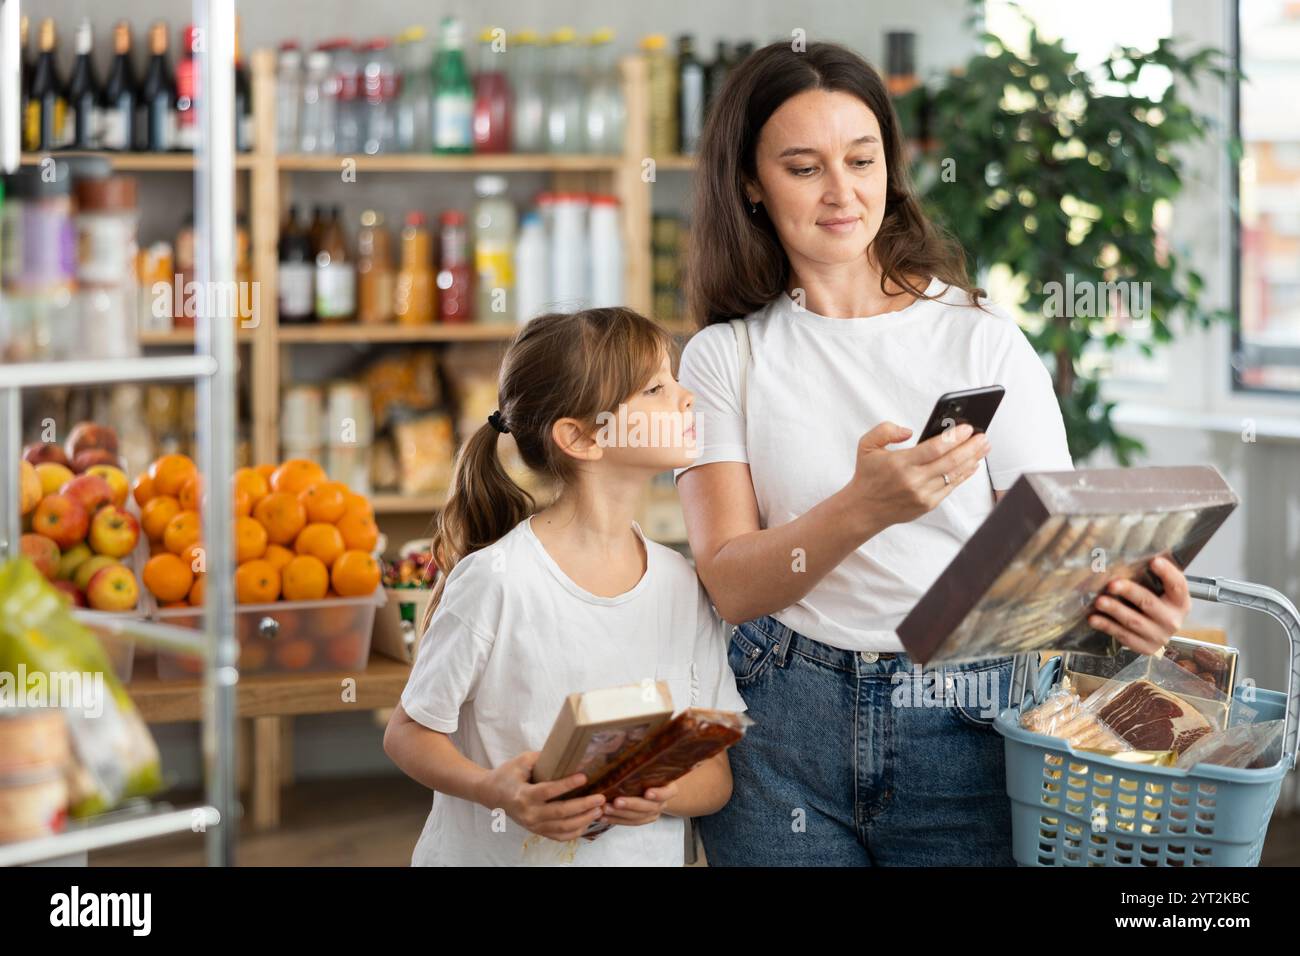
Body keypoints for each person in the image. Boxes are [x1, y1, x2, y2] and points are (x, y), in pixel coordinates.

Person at [674, 40, 1192, 866]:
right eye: (803, 168)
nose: (842, 192)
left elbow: (1056, 558)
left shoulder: (981, 342)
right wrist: (864, 507)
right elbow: (731, 583)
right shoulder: (723, 355)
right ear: (750, 185)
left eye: (861, 158)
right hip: (779, 725)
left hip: (966, 720)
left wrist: (1130, 619)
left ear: (891, 164)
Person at [384, 307, 746, 866]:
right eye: (655, 388)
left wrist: (659, 794)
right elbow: (407, 732)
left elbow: (715, 778)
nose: (686, 396)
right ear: (580, 437)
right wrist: (495, 790)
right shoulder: (497, 581)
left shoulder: (682, 584)